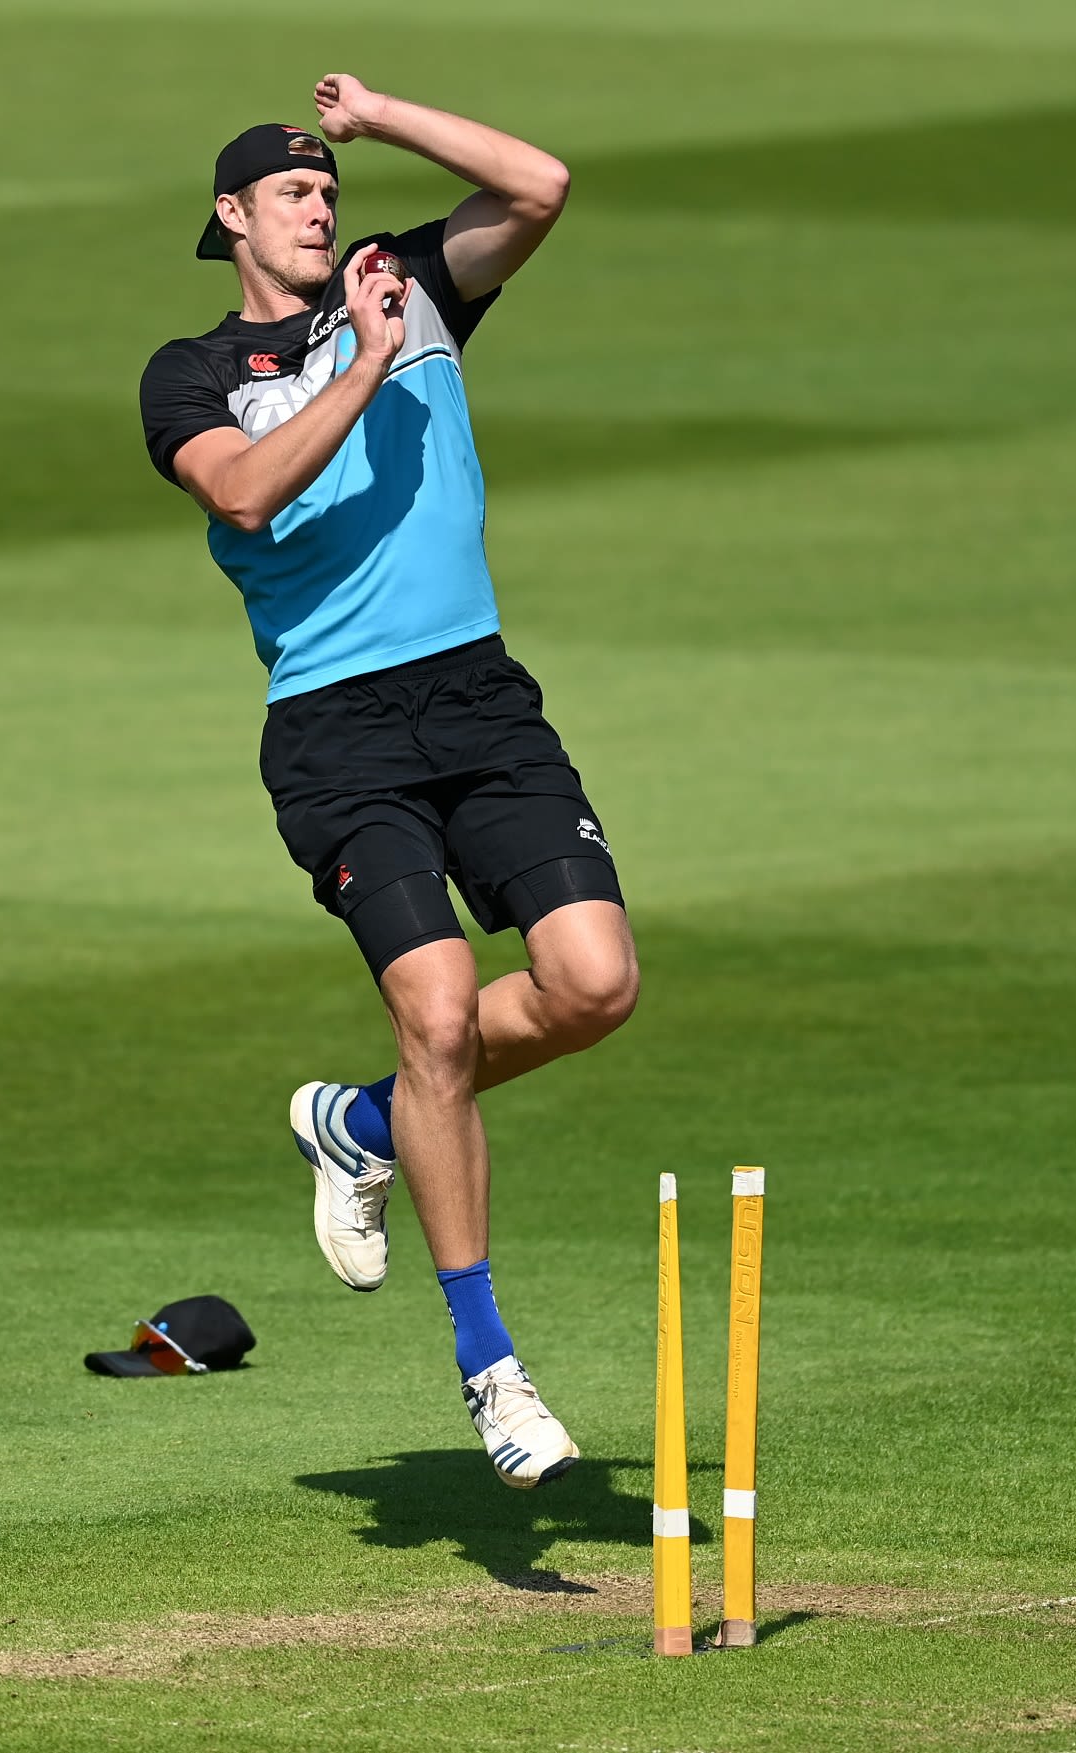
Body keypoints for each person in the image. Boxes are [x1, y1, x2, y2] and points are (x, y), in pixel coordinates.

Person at [140, 74, 639, 1489]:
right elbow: (243, 493)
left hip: (479, 695)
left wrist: (380, 118)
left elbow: (538, 183)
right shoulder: (186, 370)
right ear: (230, 217)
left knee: (595, 982)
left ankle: (360, 1120)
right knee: (435, 1012)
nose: (319, 205)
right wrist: (360, 362)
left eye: (327, 187)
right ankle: (493, 1368)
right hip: (335, 727)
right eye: (289, 190)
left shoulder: (405, 282)